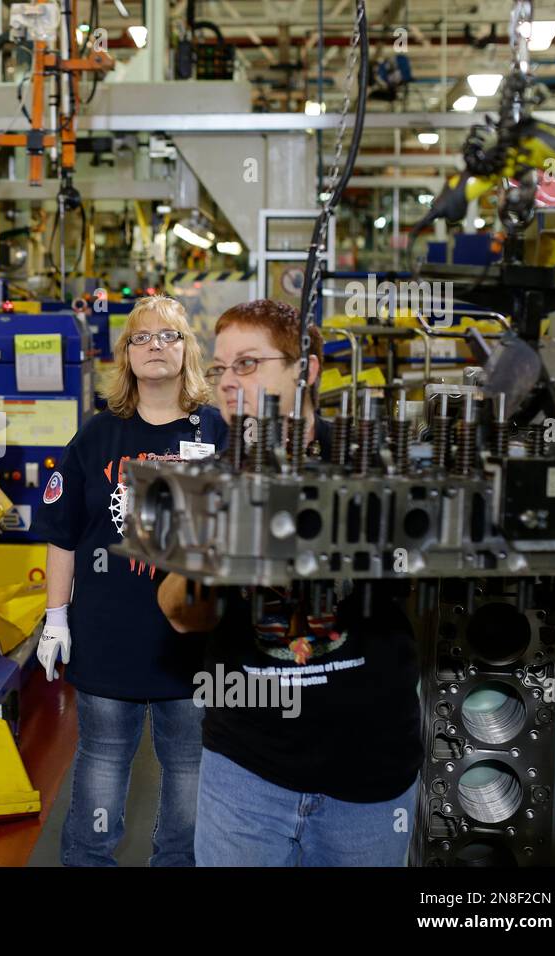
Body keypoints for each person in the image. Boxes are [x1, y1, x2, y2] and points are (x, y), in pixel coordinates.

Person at [159, 298, 421, 867]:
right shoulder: (204, 478)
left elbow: (415, 577)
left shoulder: (372, 463)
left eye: (248, 364)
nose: (228, 383)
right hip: (247, 771)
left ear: (307, 369)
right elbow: (180, 613)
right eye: (221, 369)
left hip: (370, 770)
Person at [34, 294, 226, 866]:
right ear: (125, 355)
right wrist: (55, 618)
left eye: (168, 336)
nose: (155, 347)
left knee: (189, 768)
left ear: (188, 350)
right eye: (141, 338)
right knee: (102, 760)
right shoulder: (98, 436)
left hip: (190, 639)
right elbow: (63, 532)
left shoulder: (218, 433)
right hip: (107, 634)